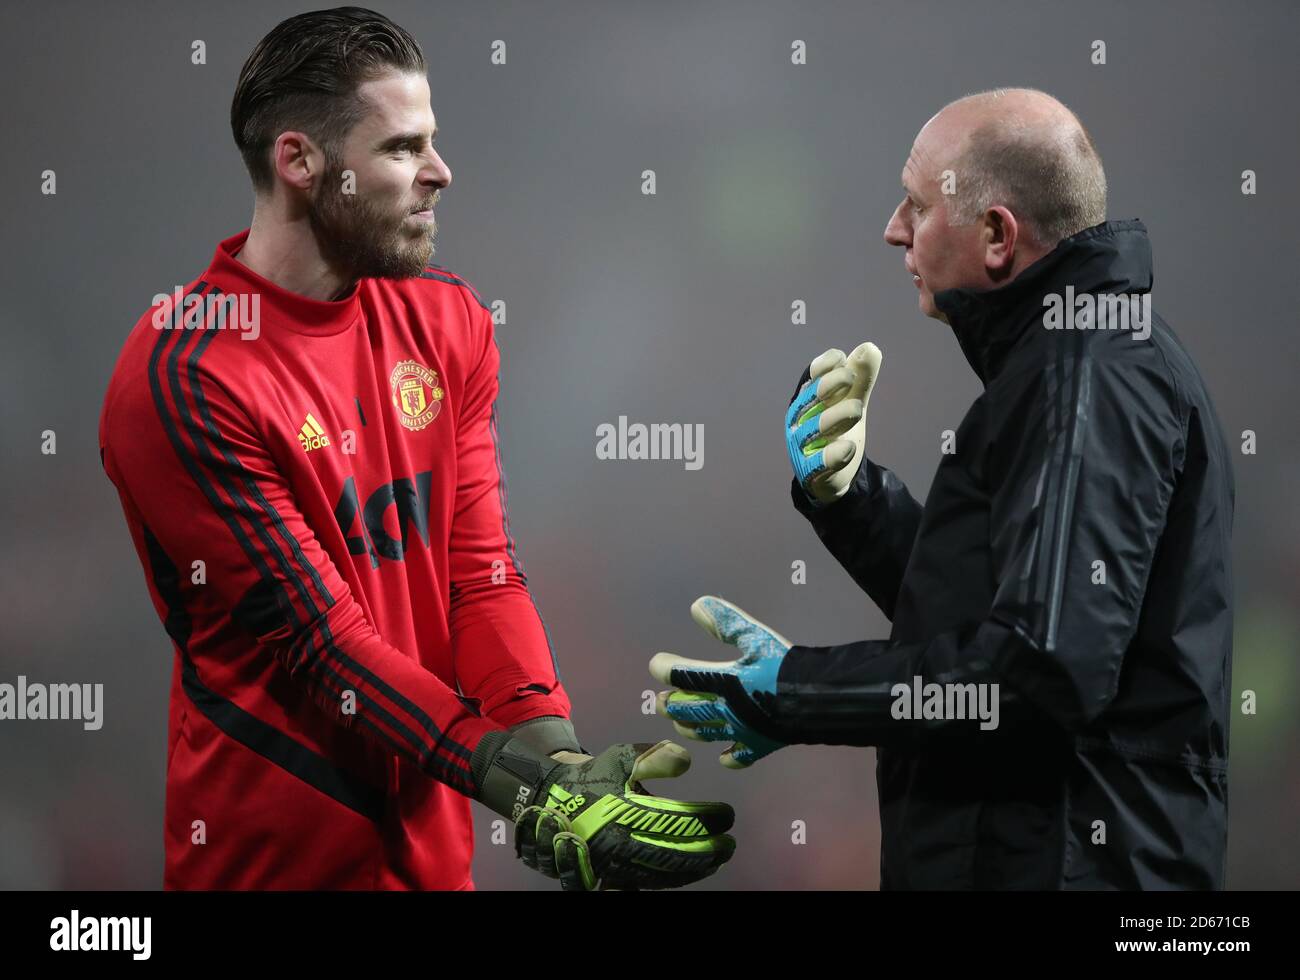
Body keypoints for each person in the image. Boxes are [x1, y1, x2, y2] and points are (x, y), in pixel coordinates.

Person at [99, 6, 734, 891]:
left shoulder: (447, 321)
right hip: (269, 870)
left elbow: (478, 574)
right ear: (300, 163)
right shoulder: (186, 373)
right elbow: (321, 643)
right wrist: (520, 785)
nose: (441, 172)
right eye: (402, 148)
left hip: (435, 867)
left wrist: (557, 757)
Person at [651, 89, 1234, 890]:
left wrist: (797, 692)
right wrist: (854, 502)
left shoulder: (1086, 377)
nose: (894, 229)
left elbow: (1040, 674)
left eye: (918, 206)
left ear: (996, 235)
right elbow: (992, 620)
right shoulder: (1071, 361)